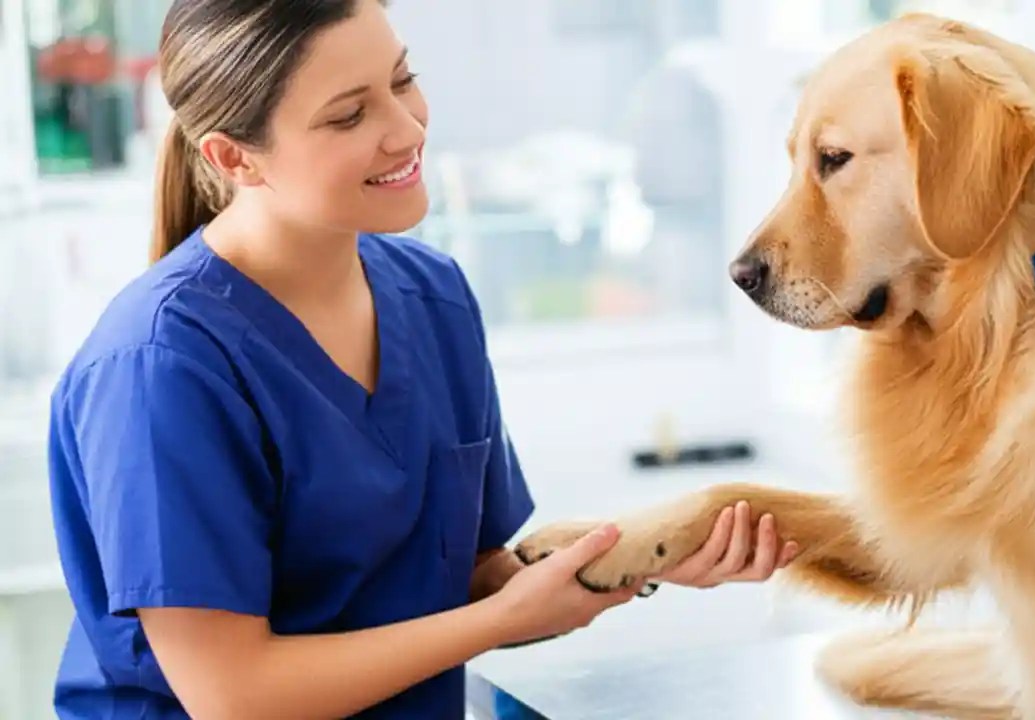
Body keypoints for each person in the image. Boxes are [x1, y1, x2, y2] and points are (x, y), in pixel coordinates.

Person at [45, 1, 800, 718]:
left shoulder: (431, 296)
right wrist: (502, 619)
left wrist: (632, 560)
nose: (406, 129)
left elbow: (456, 585)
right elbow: (236, 695)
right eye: (349, 114)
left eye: (403, 80)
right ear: (233, 157)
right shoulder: (163, 365)